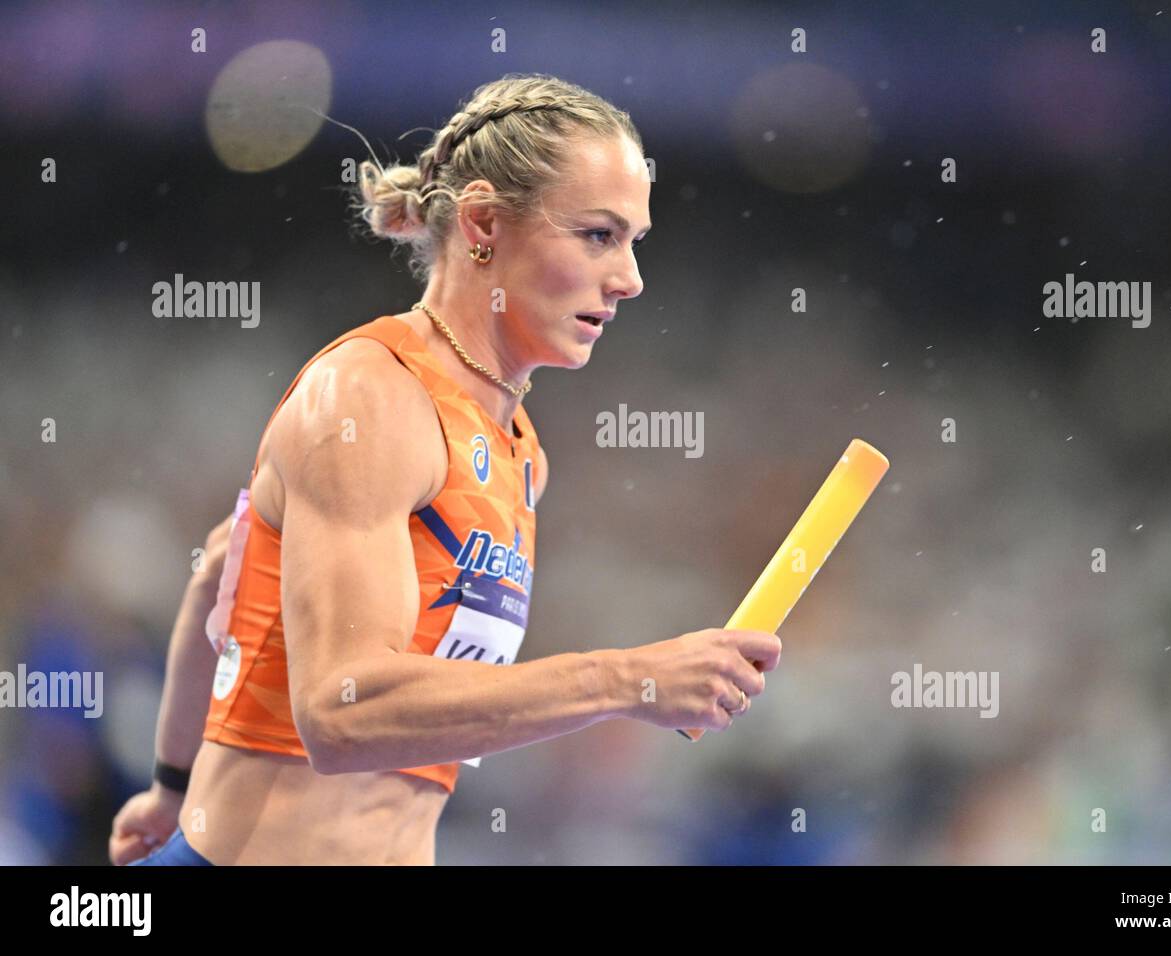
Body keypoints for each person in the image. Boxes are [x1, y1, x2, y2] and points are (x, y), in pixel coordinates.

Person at [110, 73, 780, 866]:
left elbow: (223, 566)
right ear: (485, 223)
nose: (631, 277)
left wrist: (170, 784)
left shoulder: (520, 453)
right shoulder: (369, 393)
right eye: (600, 235)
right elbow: (341, 710)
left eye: (635, 241)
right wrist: (625, 680)